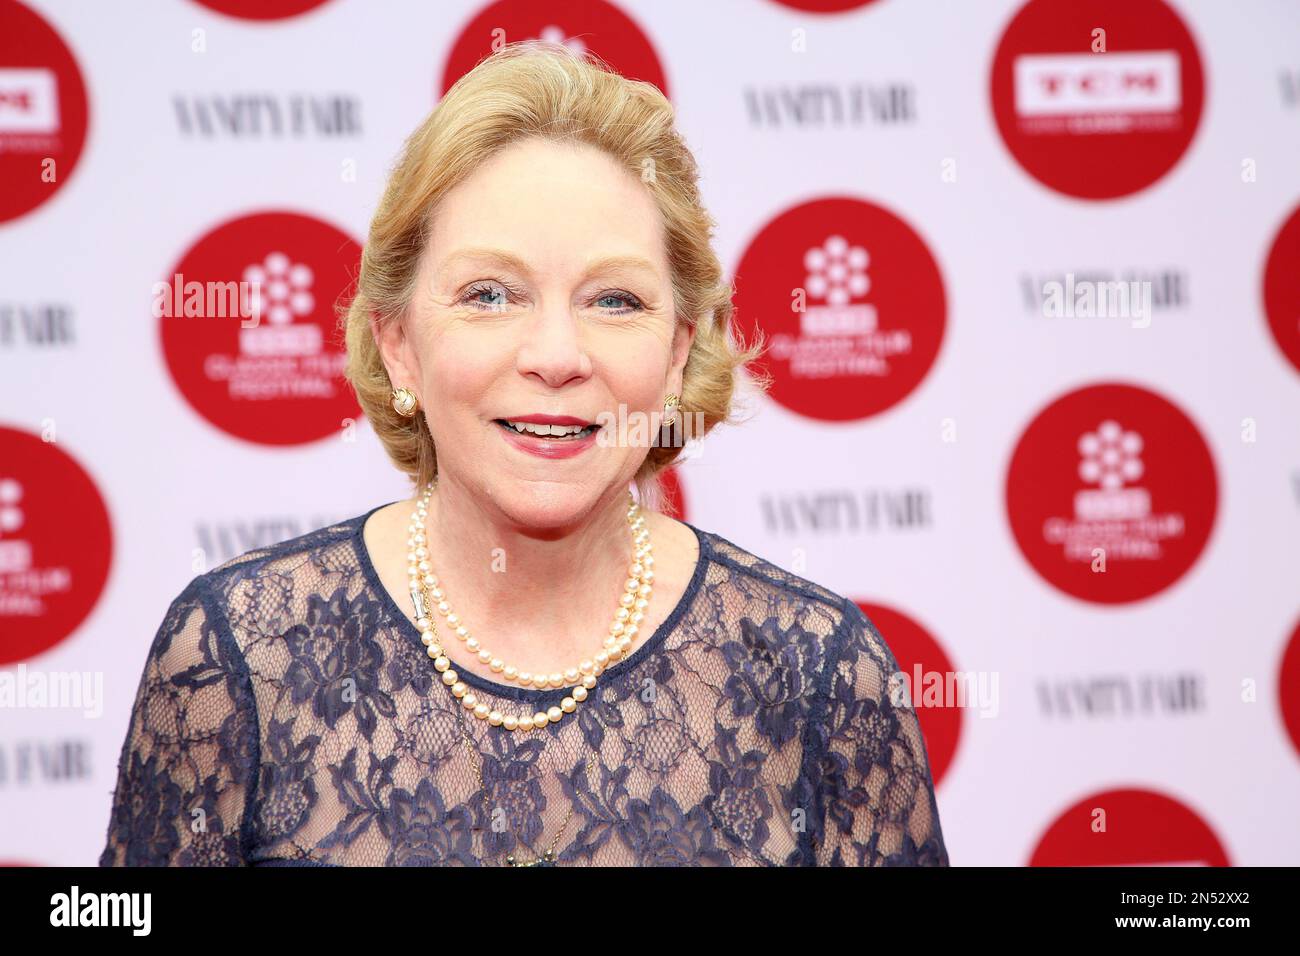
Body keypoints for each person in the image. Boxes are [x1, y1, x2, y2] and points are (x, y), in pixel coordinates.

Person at [98, 40, 948, 867]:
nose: (556, 354)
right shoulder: (237, 658)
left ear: (680, 351)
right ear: (398, 344)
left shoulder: (822, 678)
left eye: (614, 299)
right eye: (490, 294)